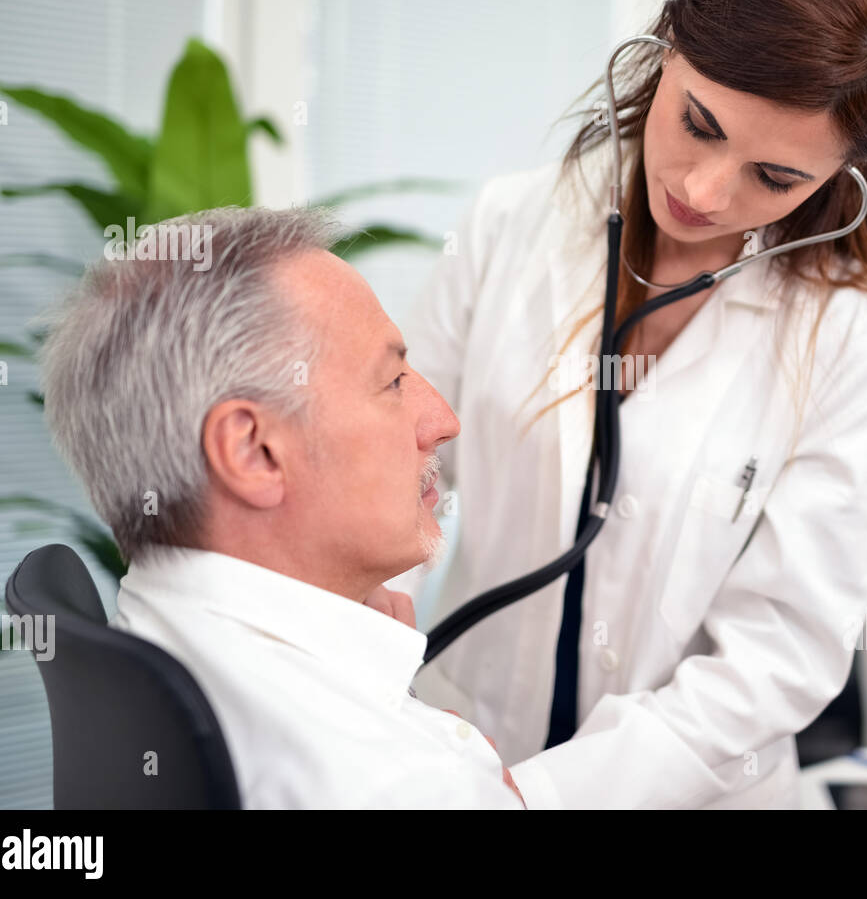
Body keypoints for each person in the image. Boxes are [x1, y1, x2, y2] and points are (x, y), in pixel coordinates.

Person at [397, 0, 867, 808]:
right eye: (699, 123)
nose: (707, 191)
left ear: (841, 177)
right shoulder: (508, 226)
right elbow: (396, 471)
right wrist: (355, 647)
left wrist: (545, 796)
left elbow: (776, 659)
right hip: (458, 749)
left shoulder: (853, 349)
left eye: (775, 177)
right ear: (664, 50)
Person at [39, 207, 523, 809]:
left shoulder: (150, 626)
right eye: (393, 382)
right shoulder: (398, 786)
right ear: (254, 451)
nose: (442, 423)